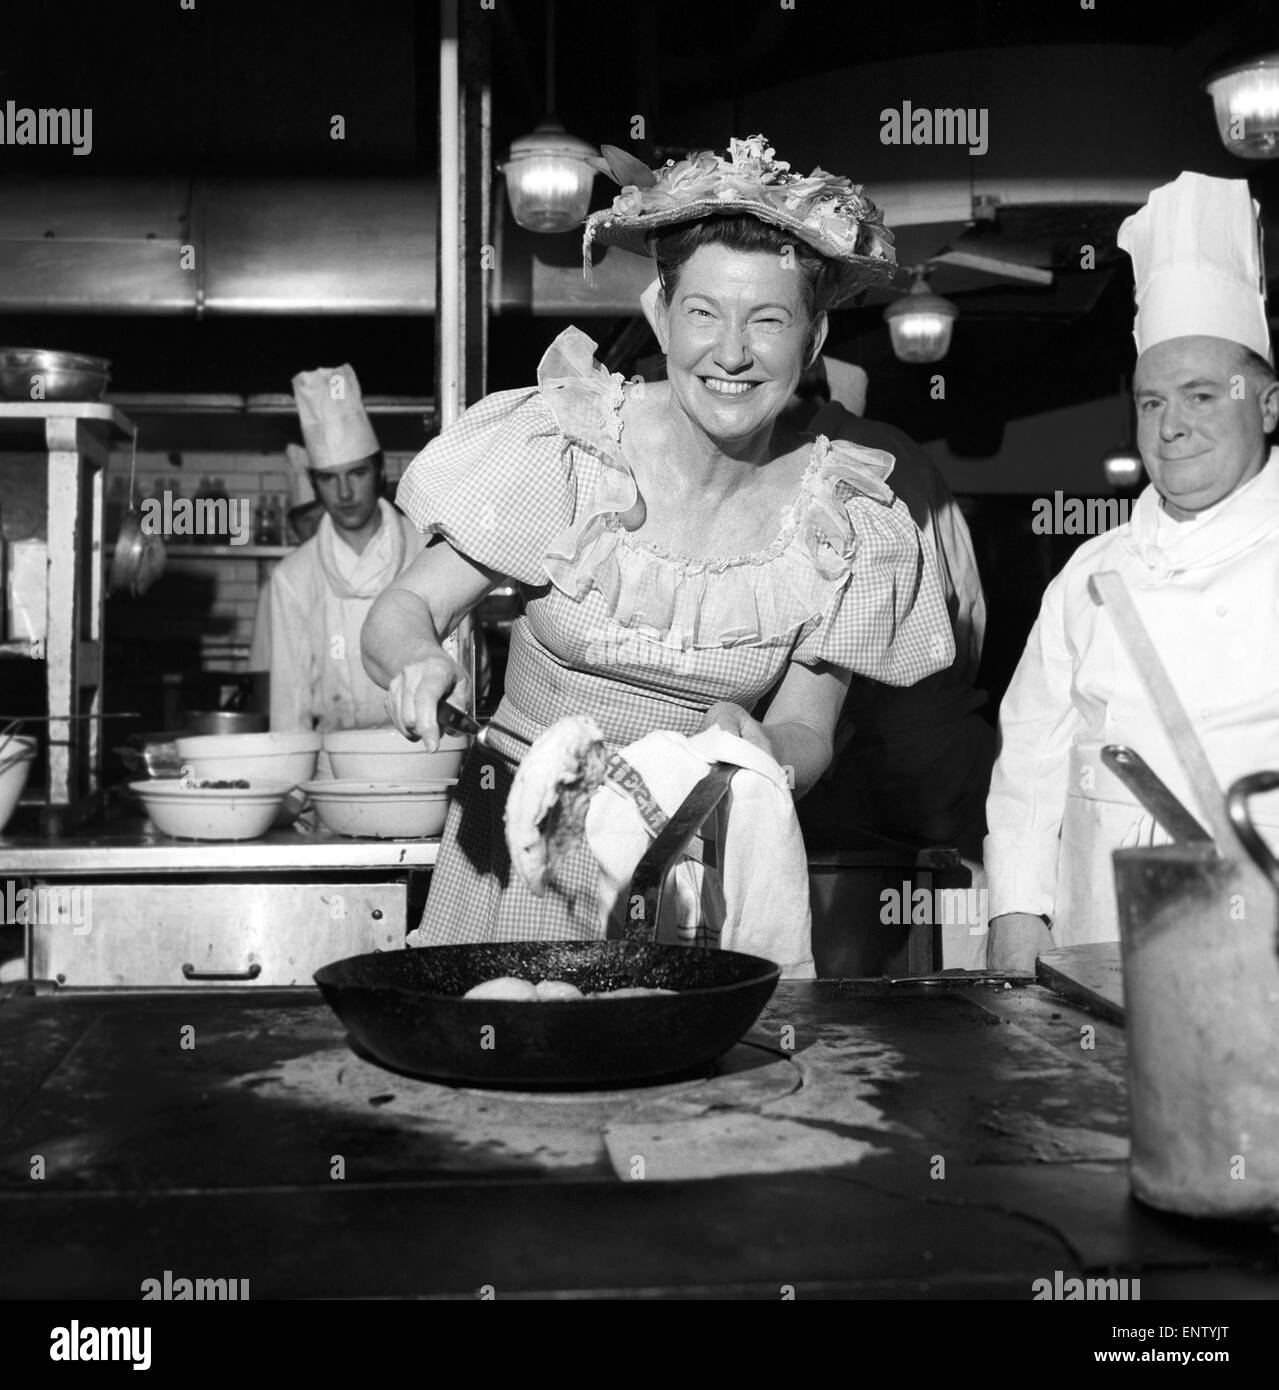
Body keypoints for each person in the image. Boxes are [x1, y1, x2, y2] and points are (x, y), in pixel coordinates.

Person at [362, 134, 956, 951]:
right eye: (703, 313)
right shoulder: (568, 447)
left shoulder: (845, 518)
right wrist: (416, 661)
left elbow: (808, 729)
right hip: (525, 851)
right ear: (660, 318)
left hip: (692, 868)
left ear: (813, 342)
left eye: (769, 320)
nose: (732, 353)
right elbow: (403, 607)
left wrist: (766, 750)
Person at [985, 171, 1279, 973]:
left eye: (1199, 396)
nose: (1172, 426)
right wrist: (1015, 908)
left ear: (1267, 404)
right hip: (1099, 937)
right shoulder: (1091, 570)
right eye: (1151, 403)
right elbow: (1031, 752)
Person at [249, 363, 426, 734]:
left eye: (357, 474)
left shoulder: (425, 550)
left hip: (420, 756)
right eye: (329, 479)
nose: (344, 494)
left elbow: (467, 672)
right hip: (333, 765)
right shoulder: (293, 576)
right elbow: (288, 701)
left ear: (379, 473)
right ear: (314, 484)